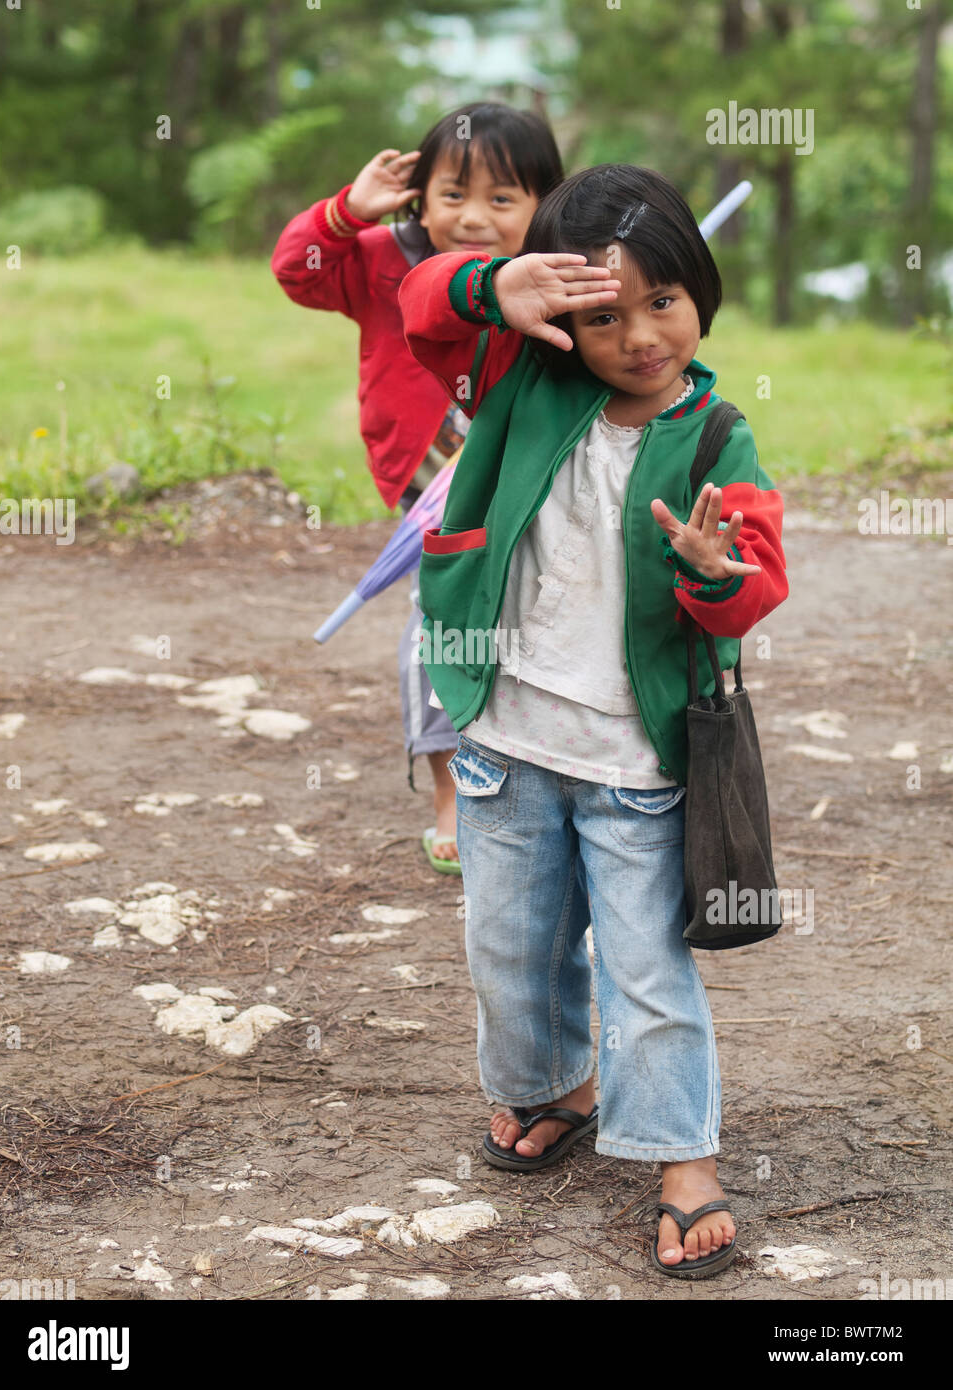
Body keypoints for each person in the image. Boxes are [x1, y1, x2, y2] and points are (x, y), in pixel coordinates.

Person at [398, 163, 789, 1278]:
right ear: (558, 315)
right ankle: (554, 1088)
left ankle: (682, 1160)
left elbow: (759, 579)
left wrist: (718, 574)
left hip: (636, 766)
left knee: (645, 969)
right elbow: (420, 309)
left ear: (700, 296)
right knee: (509, 950)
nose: (638, 335)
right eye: (603, 314)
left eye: (662, 302)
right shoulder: (524, 376)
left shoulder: (719, 438)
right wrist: (494, 286)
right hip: (505, 745)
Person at [270, 103, 563, 873]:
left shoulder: (548, 276)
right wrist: (340, 214)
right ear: (418, 200)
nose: (472, 217)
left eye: (501, 199)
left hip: (530, 482)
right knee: (441, 625)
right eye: (451, 195)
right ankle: (452, 792)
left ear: (542, 206)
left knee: (536, 614)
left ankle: (548, 774)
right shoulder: (380, 260)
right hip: (430, 492)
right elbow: (296, 273)